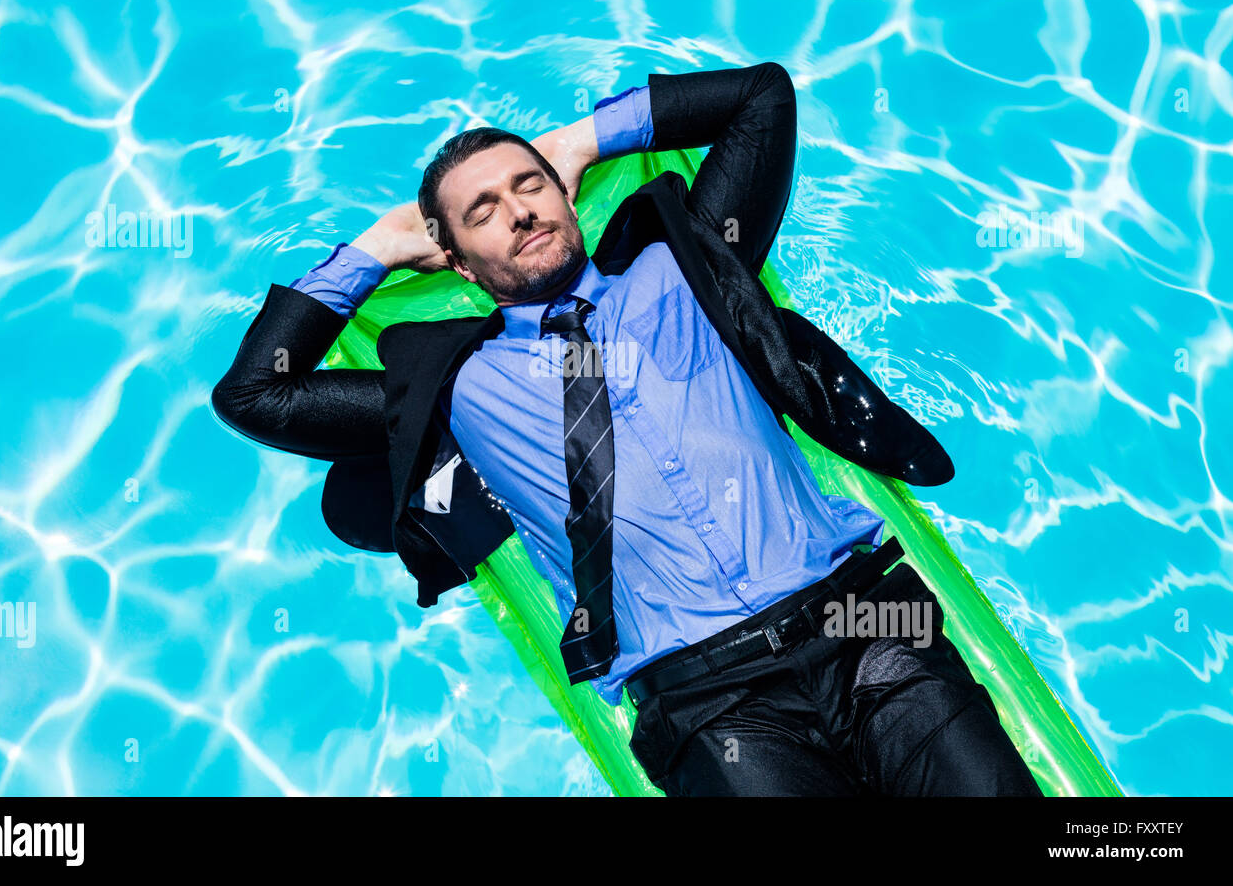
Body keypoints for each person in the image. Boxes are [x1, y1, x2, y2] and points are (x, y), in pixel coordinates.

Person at [211, 61, 1042, 796]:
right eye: (484, 210)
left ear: (563, 194)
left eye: (528, 185)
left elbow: (761, 99)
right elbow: (254, 396)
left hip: (863, 625)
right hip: (708, 697)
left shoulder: (686, 265)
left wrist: (580, 139)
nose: (519, 211)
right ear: (459, 262)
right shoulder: (456, 388)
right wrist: (378, 248)